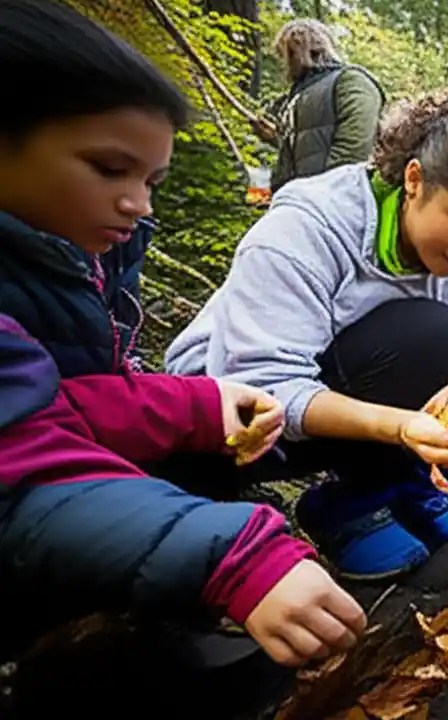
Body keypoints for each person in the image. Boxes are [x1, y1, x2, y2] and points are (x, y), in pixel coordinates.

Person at [0, 0, 363, 671]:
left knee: (212, 442)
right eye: (110, 169)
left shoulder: (72, 255)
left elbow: (68, 400)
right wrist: (234, 555)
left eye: (151, 180)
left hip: (67, 493)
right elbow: (20, 466)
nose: (139, 204)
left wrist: (202, 405)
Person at [166, 92, 448, 580]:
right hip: (231, 426)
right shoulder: (308, 226)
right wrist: (402, 427)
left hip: (359, 394)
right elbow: (262, 387)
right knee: (434, 334)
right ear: (414, 180)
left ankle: (401, 488)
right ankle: (348, 510)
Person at [253, 19, 385, 193]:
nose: (284, 64)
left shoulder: (351, 81)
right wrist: (276, 138)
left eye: (285, 54)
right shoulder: (299, 95)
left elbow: (355, 148)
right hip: (301, 204)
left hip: (335, 204)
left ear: (299, 50)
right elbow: (311, 150)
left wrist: (323, 195)